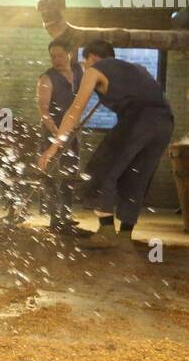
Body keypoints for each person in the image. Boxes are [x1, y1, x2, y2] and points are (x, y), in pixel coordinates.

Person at [37, 39, 173, 250]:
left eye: (85, 62)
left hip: (137, 120)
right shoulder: (136, 68)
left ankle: (107, 231)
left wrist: (54, 147)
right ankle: (125, 235)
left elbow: (74, 111)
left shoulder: (95, 70)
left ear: (91, 58)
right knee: (137, 175)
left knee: (99, 170)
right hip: (165, 123)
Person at [36, 38, 83, 235]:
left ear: (69, 53)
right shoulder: (47, 79)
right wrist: (55, 131)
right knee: (51, 174)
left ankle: (66, 215)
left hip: (72, 132)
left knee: (70, 173)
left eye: (60, 56)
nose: (56, 60)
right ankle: (55, 217)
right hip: (52, 132)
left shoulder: (80, 72)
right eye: (52, 56)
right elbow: (43, 110)